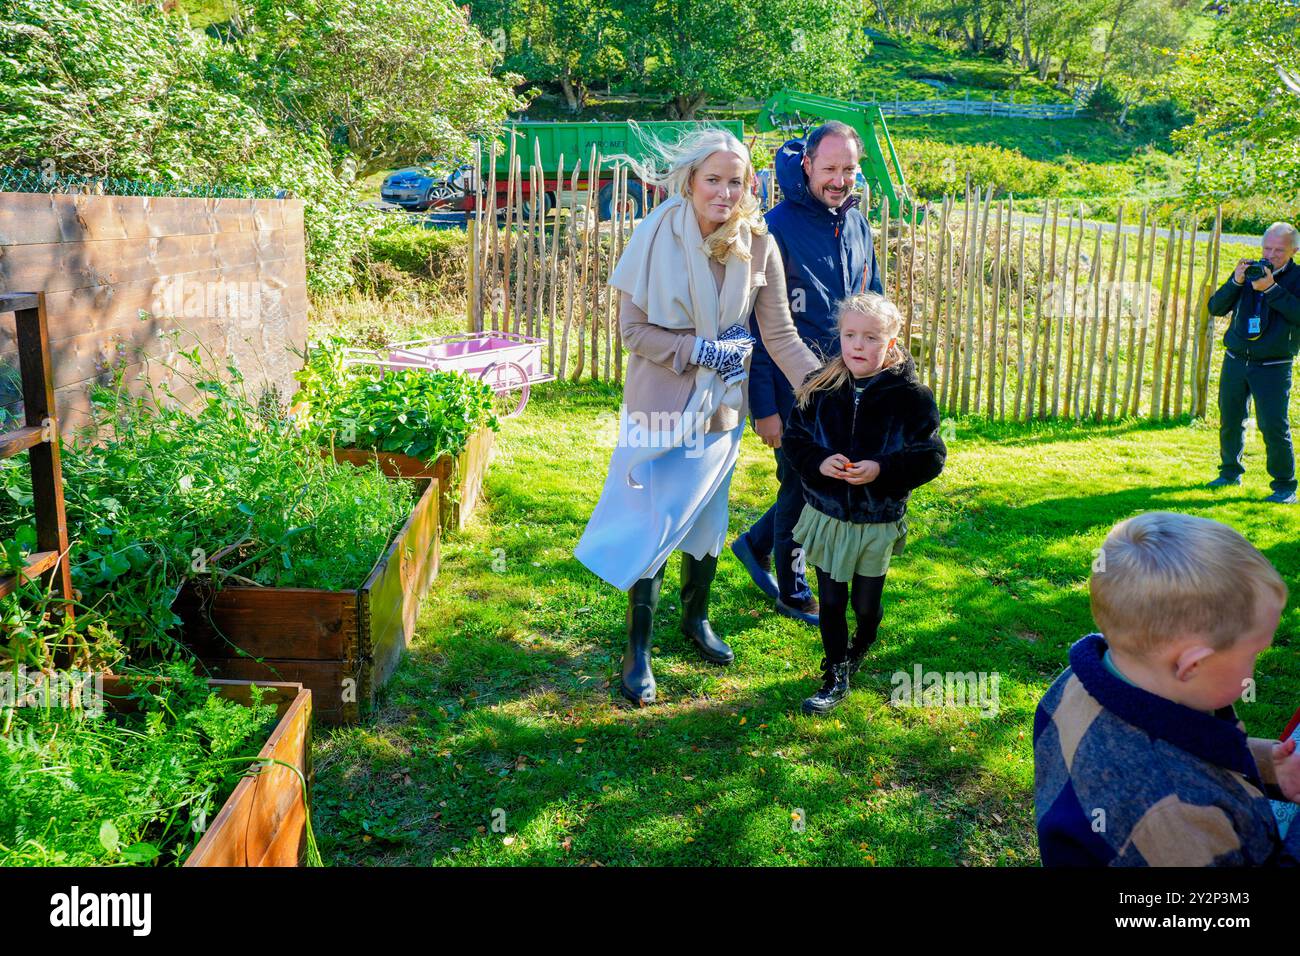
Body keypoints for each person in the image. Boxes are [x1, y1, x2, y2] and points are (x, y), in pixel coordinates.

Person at [574, 127, 820, 706]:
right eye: (713, 179)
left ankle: (695, 620)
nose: (724, 192)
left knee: (706, 518)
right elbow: (632, 331)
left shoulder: (758, 242)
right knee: (653, 523)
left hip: (720, 413)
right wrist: (701, 350)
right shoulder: (654, 234)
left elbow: (780, 332)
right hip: (660, 406)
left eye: (736, 181)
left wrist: (824, 385)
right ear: (689, 181)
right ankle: (637, 648)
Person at [1034, 512, 1300, 866]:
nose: (1256, 666)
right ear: (1192, 665)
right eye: (1254, 653)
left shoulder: (1079, 683)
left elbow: (1181, 748)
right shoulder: (1174, 814)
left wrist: (1266, 766)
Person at [732, 122, 883, 627]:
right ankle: (792, 590)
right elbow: (753, 328)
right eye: (830, 168)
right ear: (807, 166)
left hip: (845, 386)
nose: (840, 179)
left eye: (849, 169)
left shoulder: (858, 224)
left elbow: (873, 300)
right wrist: (765, 408)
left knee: (820, 479)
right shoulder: (772, 228)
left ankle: (754, 545)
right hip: (789, 388)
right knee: (801, 487)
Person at [781, 293, 945, 715]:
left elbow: (930, 457)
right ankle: (835, 673)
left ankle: (864, 640)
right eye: (850, 335)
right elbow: (796, 441)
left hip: (876, 520)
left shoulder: (912, 398)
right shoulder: (821, 387)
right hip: (828, 516)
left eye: (870, 338)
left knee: (864, 606)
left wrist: (881, 469)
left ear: (890, 344)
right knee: (831, 603)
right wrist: (820, 461)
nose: (857, 345)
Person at [1206, 221, 1300, 503]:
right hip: (1236, 358)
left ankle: (1285, 487)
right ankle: (1229, 473)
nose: (1270, 255)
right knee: (1230, 419)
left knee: (1273, 426)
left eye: (1278, 250)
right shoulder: (1249, 271)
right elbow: (1215, 307)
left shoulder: (1297, 278)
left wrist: (1271, 289)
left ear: (1294, 250)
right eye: (1267, 247)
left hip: (1274, 364)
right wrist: (1236, 281)